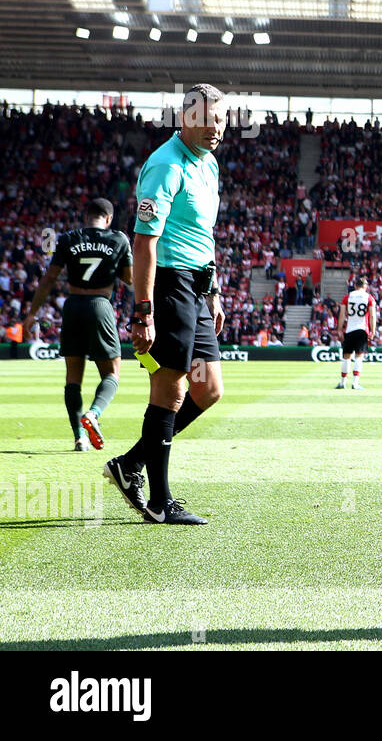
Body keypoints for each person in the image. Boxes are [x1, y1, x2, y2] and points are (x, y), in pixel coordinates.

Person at [104, 84, 229, 525]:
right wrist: (143, 310)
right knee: (172, 388)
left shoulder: (209, 164)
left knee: (208, 388)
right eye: (208, 119)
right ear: (186, 118)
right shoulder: (165, 164)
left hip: (197, 286)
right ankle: (160, 502)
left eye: (222, 118)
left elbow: (205, 235)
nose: (217, 127)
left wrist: (213, 290)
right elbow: (144, 241)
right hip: (169, 285)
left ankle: (130, 464)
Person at [23, 198, 132, 451]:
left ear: (87, 217)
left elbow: (50, 277)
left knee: (73, 377)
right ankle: (94, 413)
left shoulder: (68, 239)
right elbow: (128, 279)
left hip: (72, 307)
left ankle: (79, 437)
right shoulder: (118, 239)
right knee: (112, 373)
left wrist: (32, 314)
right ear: (108, 218)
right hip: (100, 306)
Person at [337, 275, 376, 390]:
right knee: (359, 356)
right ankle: (355, 383)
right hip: (362, 329)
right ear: (365, 286)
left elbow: (342, 314)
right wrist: (373, 331)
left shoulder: (347, 297)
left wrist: (339, 329)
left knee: (346, 356)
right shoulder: (369, 298)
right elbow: (372, 316)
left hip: (350, 329)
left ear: (355, 285)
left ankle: (343, 383)